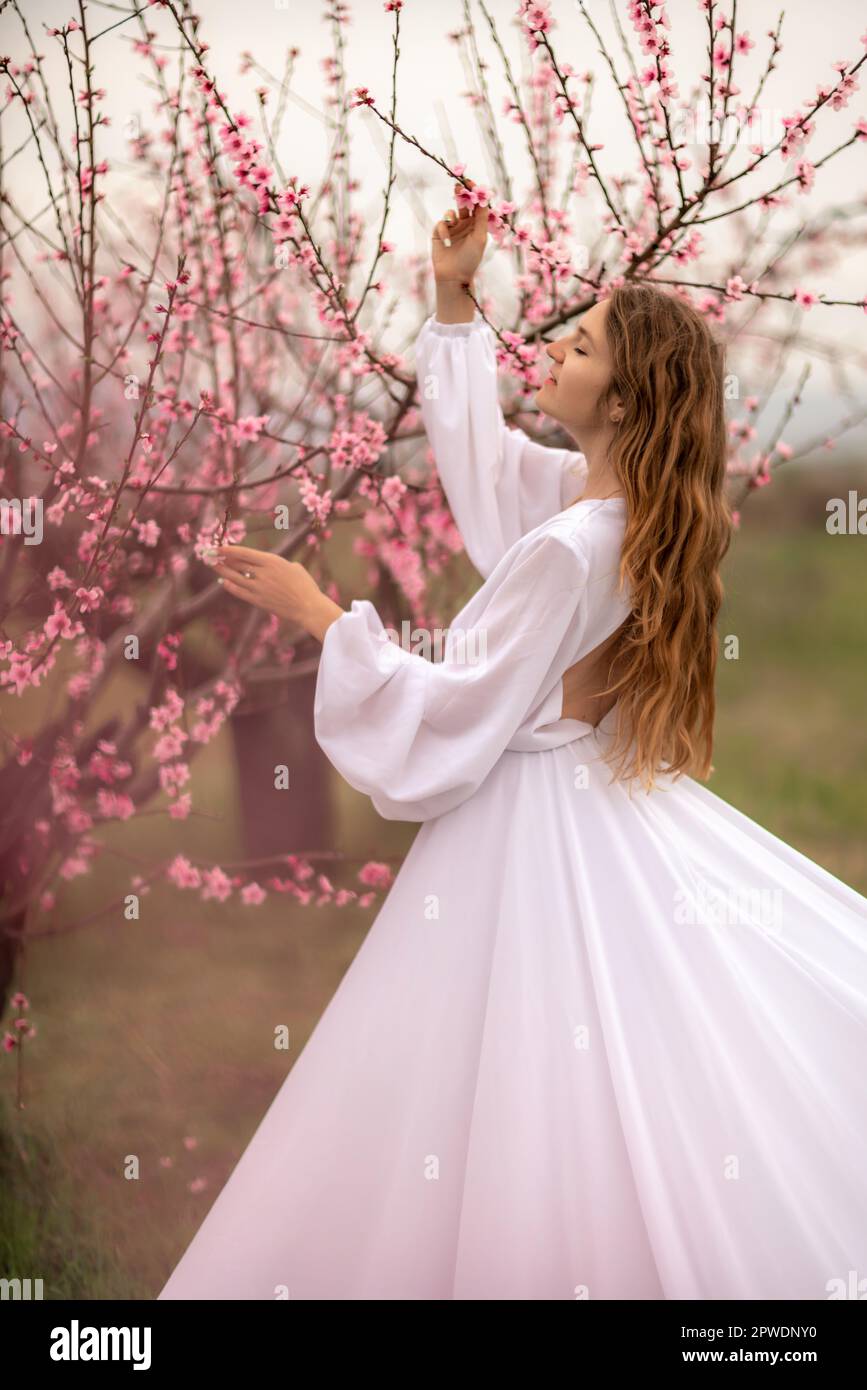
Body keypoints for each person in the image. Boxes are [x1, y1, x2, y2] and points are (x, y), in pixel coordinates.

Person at [159, 186, 867, 1301]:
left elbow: (458, 714)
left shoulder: (575, 546)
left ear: (623, 400)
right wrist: (453, 302)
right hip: (591, 799)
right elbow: (490, 475)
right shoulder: (618, 512)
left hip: (528, 822)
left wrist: (318, 614)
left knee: (488, 1062)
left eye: (579, 346)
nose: (553, 349)